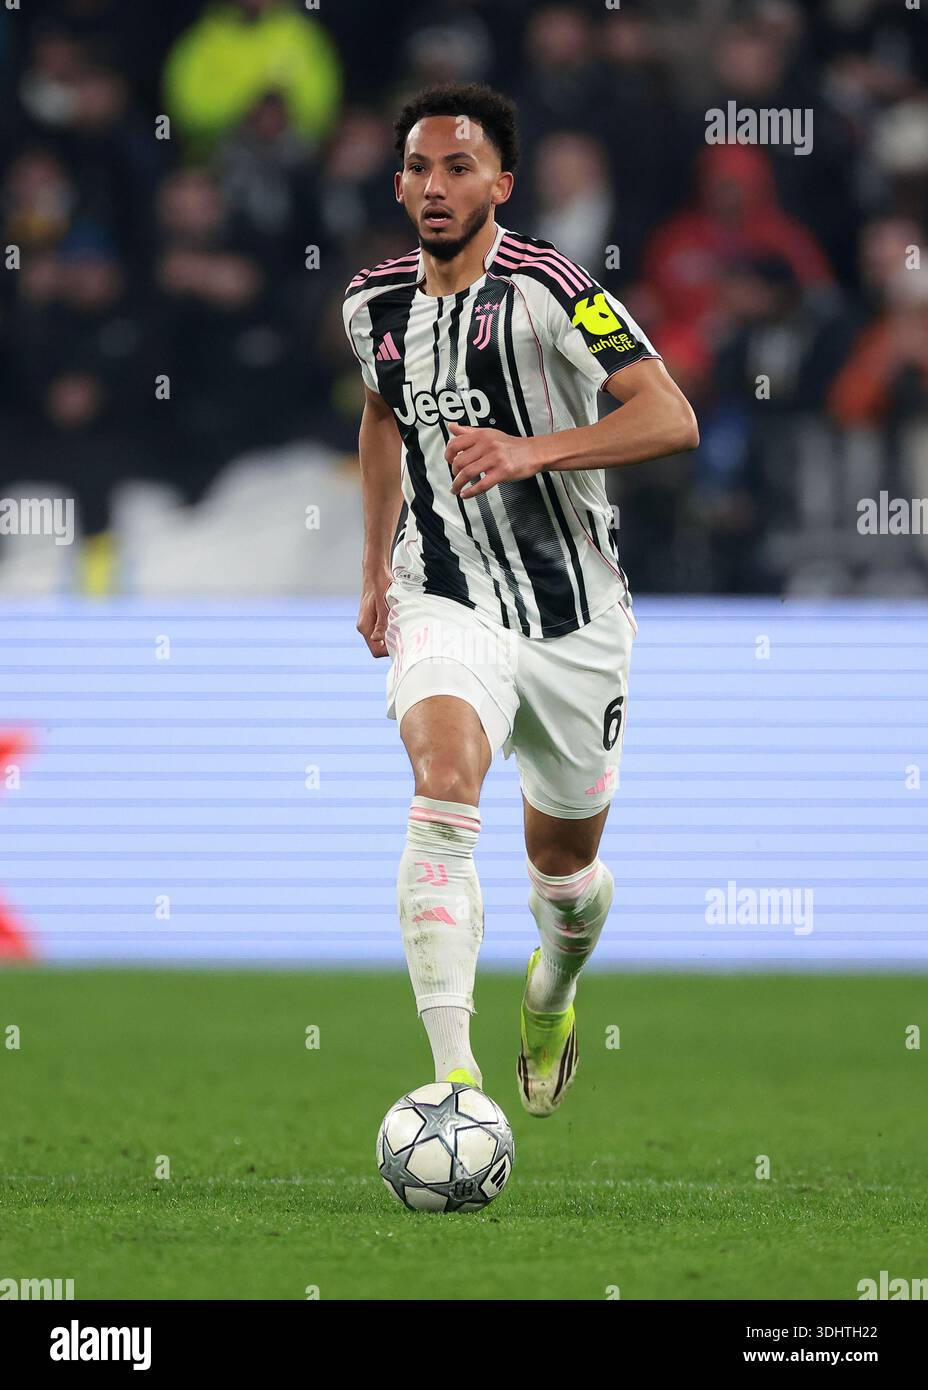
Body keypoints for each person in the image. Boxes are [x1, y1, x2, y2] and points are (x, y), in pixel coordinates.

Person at [342, 83, 698, 1117]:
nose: (435, 185)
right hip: (444, 594)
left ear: (500, 183)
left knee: (565, 871)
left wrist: (530, 450)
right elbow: (380, 417)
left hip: (573, 618)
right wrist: (373, 567)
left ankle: (551, 994)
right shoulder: (371, 304)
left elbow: (666, 415)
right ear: (399, 182)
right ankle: (452, 1078)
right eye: (418, 167)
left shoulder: (554, 287)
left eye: (458, 168)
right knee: (443, 781)